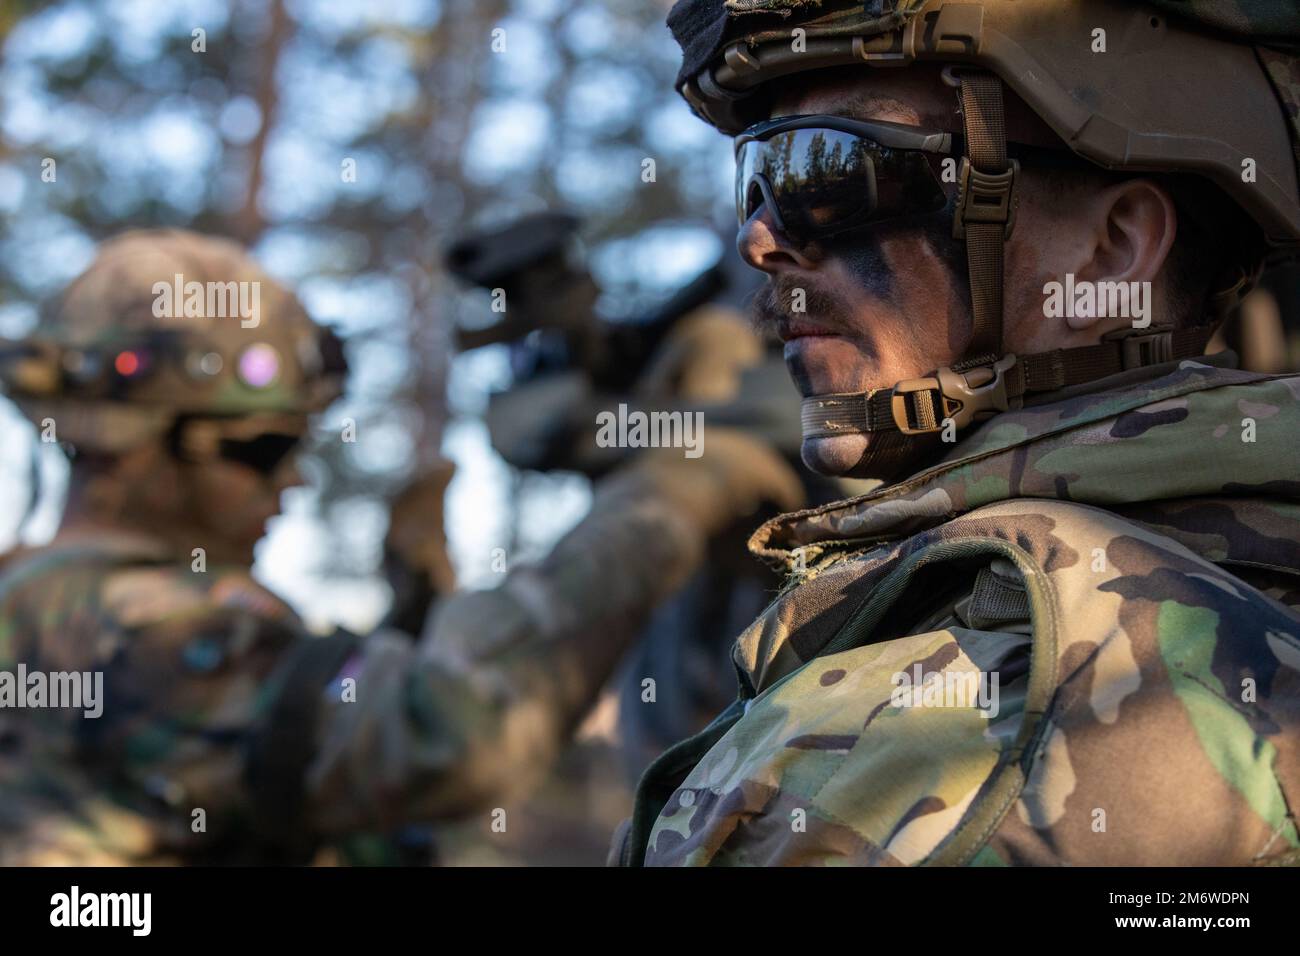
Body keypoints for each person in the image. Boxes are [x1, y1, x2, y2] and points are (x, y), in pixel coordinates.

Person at [612, 0, 1300, 866]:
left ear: (1113, 253)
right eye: (756, 177)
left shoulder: (907, 737)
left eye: (828, 171)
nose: (759, 239)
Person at [0, 228, 803, 864]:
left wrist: (407, 621)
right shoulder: (113, 627)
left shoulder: (63, 605)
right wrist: (673, 493)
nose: (293, 482)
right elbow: (454, 733)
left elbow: (316, 787)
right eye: (264, 447)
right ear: (135, 444)